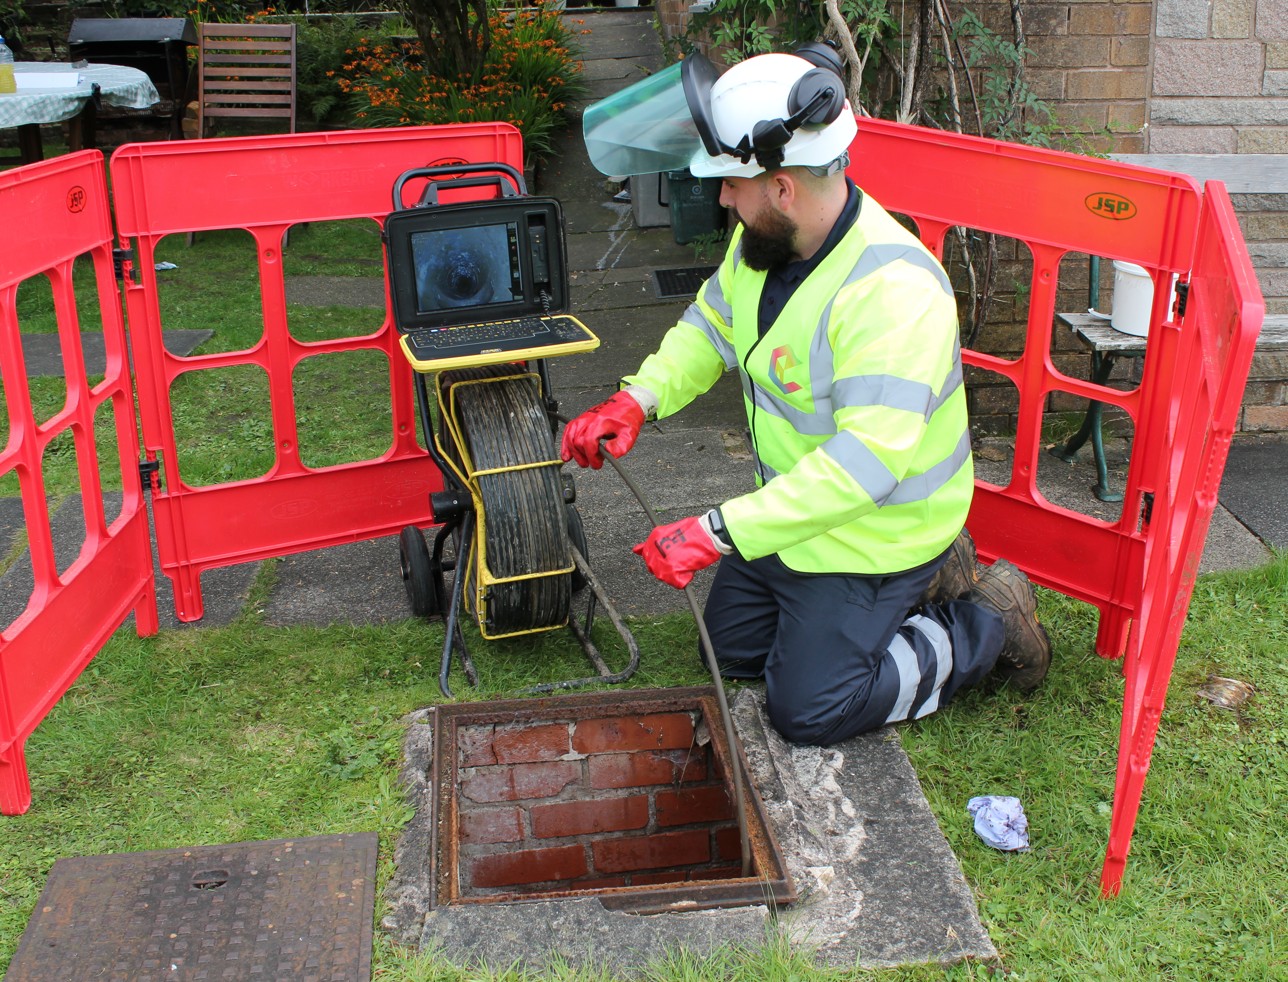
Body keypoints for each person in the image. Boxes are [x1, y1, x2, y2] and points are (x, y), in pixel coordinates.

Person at [563, 46, 1050, 747]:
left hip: (876, 533)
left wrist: (714, 532)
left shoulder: (892, 291)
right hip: (796, 518)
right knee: (729, 653)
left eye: (732, 184)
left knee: (809, 709)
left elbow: (861, 468)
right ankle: (904, 599)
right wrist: (638, 399)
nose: (723, 199)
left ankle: (983, 622)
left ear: (783, 186)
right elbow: (710, 327)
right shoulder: (762, 245)